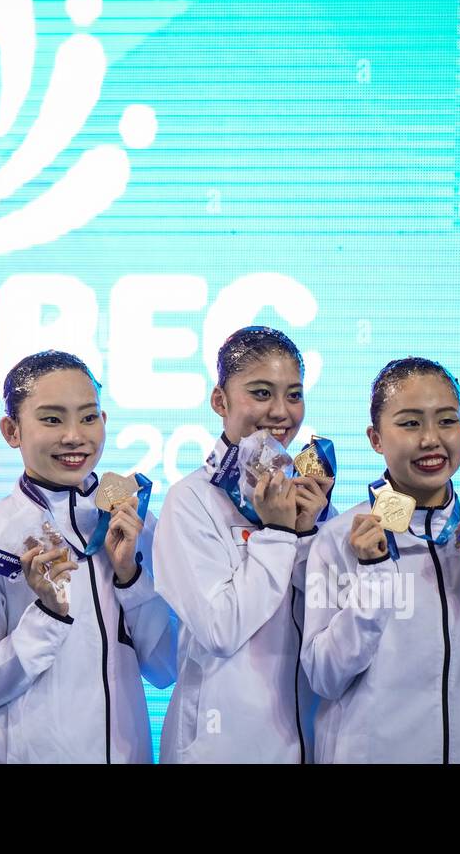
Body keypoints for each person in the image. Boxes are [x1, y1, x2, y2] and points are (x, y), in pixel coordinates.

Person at [0, 350, 177, 762]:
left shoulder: (132, 518)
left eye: (88, 417)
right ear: (11, 430)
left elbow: (165, 668)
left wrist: (130, 577)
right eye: (52, 419)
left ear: (104, 422)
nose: (74, 435)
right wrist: (48, 615)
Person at [302, 357, 460, 763]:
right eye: (410, 423)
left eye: (447, 421)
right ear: (376, 438)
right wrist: (373, 578)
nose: (431, 439)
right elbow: (324, 676)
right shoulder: (338, 538)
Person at [153, 326, 333, 763]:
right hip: (219, 748)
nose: (281, 411)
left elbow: (329, 629)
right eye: (261, 393)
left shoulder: (309, 501)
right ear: (220, 401)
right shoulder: (191, 500)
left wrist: (307, 536)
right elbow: (220, 628)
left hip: (310, 742)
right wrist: (278, 535)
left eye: (293, 395)